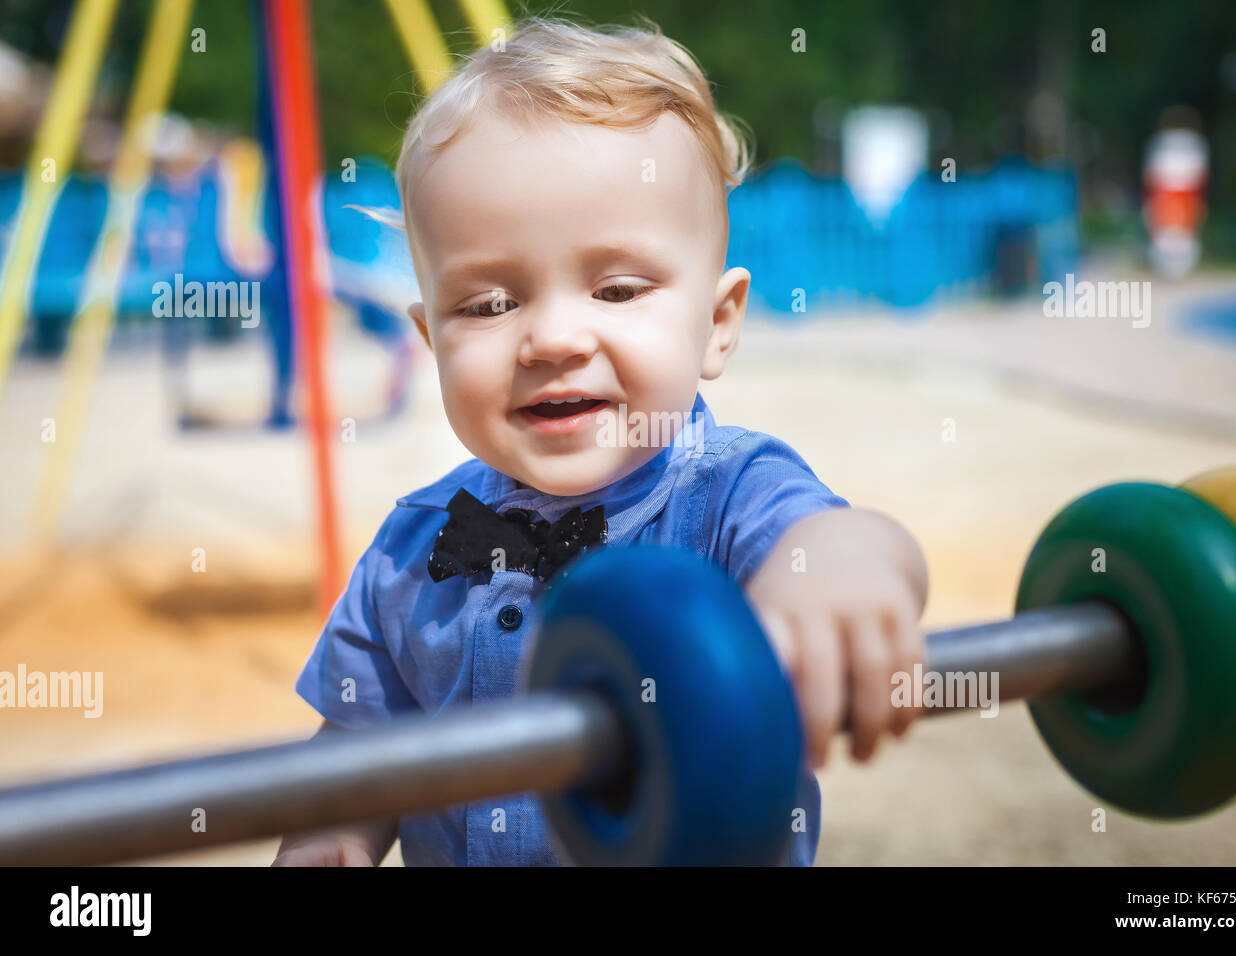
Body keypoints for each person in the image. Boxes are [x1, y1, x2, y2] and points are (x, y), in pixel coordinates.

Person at [276, 16, 927, 867]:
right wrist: (329, 843)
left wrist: (844, 574)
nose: (550, 339)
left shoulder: (728, 493)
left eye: (616, 290)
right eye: (488, 305)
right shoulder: (410, 549)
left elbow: (852, 539)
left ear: (718, 324)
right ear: (432, 341)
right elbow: (354, 756)